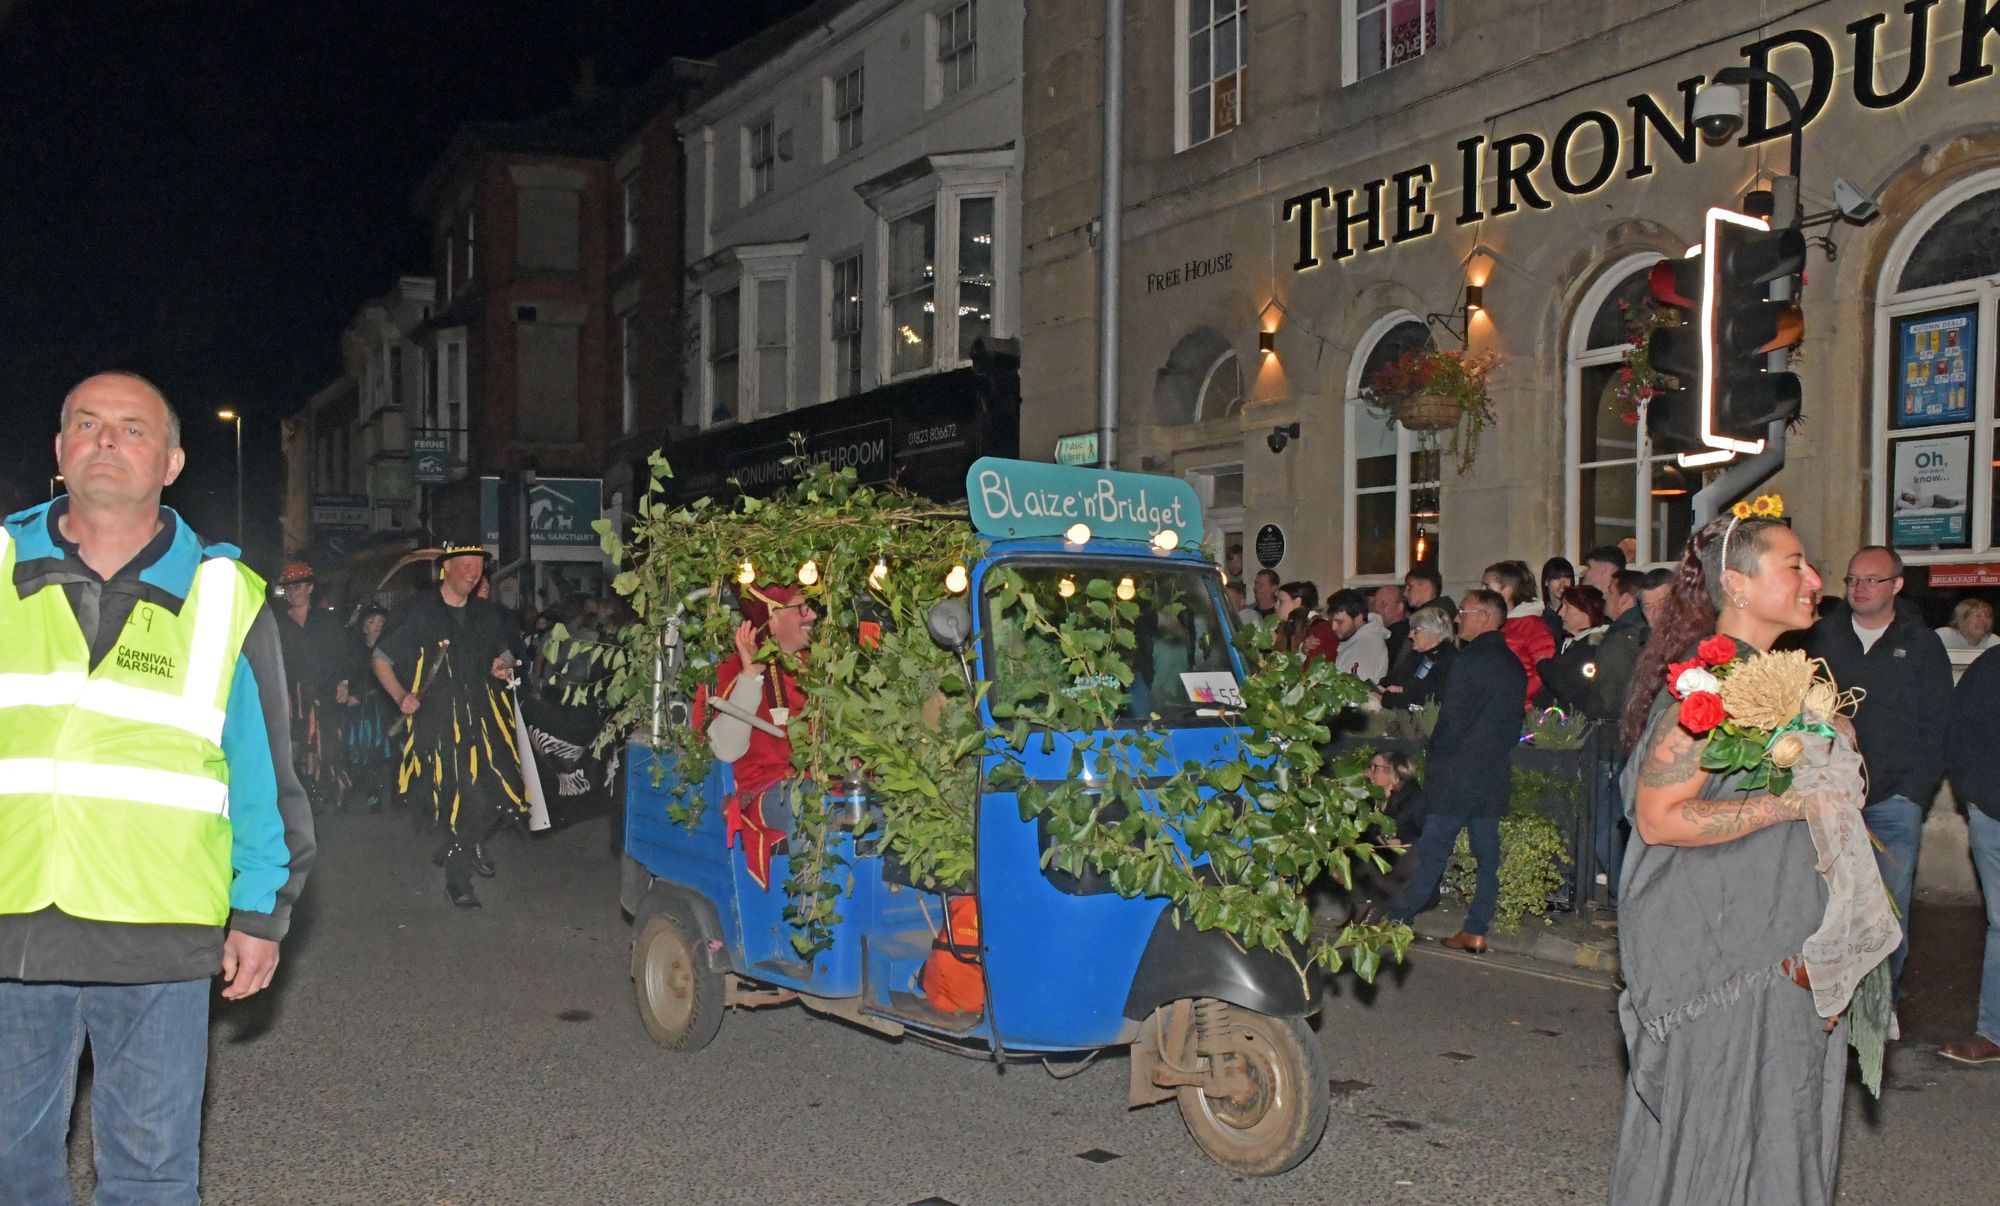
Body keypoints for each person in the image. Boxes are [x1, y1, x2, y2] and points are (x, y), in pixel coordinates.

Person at [0, 372, 314, 1202]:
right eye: (88, 424)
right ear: (60, 450)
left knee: (150, 1174)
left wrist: (260, 911)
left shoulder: (225, 600)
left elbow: (265, 774)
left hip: (159, 931)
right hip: (10, 929)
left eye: (133, 429)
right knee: (8, 1165)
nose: (108, 440)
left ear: (171, 461)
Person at [1613, 510, 1860, 1205]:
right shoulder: (1709, 688)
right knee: (1717, 1149)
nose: (1816, 580)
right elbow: (1661, 818)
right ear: (1737, 585)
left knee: (1779, 1143)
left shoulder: (1787, 683)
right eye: (1795, 565)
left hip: (1784, 948)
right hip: (1721, 963)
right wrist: (1797, 798)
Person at [1804, 545, 1951, 998]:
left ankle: (1880, 998)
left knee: (1888, 909)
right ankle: (1834, 992)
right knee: (1826, 904)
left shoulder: (1921, 644)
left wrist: (1914, 793)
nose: (1860, 588)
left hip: (1892, 802)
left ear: (1897, 585)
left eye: (1871, 580)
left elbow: (1938, 723)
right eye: (1852, 580)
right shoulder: (1821, 638)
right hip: (1829, 798)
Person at [372, 541, 529, 908]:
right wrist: (400, 696)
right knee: (462, 799)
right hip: (439, 724)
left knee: (500, 798)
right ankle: (458, 881)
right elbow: (381, 658)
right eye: (466, 564)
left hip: (486, 722)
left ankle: (461, 841)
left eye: (478, 565)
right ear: (446, 567)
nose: (473, 571)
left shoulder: (487, 614)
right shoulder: (419, 611)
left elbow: (508, 655)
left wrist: (502, 666)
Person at [1383, 589, 1524, 954]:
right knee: (1487, 856)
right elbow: (1513, 724)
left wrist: (1437, 752)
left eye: (1464, 612)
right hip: (1491, 773)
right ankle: (1476, 928)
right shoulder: (1512, 664)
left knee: (1432, 850)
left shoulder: (1468, 661)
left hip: (1457, 772)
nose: (1459, 618)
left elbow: (1451, 719)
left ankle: (1397, 920)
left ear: (1484, 616)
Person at [707, 582, 819, 889]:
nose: (811, 616)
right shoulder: (734, 669)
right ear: (772, 619)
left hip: (821, 782)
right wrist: (751, 674)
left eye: (810, 608)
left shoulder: (819, 668)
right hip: (765, 790)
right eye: (800, 609)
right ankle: (814, 915)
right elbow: (726, 750)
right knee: (808, 802)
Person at [1943, 642, 2000, 1064]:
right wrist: (1975, 799)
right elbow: (1958, 729)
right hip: (1993, 816)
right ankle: (1994, 1032)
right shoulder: (1991, 667)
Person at [1591, 570, 1652, 900]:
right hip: (1627, 743)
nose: (1604, 600)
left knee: (1606, 822)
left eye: (1609, 593)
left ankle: (1622, 893)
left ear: (1627, 598)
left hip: (1615, 745)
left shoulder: (1623, 636)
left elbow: (1609, 695)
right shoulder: (1634, 633)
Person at [272, 559, 347, 809]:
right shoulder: (278, 624)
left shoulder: (325, 621)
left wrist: (345, 682)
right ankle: (294, 788)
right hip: (291, 695)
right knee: (294, 742)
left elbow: (342, 654)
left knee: (324, 742)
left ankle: (318, 788)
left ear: (310, 588)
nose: (294, 592)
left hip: (323, 692)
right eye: (289, 588)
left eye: (299, 586)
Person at [339, 603, 397, 811]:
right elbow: (351, 673)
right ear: (364, 627)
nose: (377, 626)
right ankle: (356, 792)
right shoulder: (355, 648)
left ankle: (387, 794)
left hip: (385, 706)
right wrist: (353, 693)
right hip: (362, 708)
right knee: (361, 750)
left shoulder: (391, 646)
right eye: (372, 622)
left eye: (381, 621)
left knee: (385, 751)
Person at [1484, 559, 1554, 708]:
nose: (1483, 592)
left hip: (1520, 708)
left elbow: (1543, 670)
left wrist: (1515, 696)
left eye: (1487, 586)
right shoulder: (1498, 622)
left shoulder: (1532, 624)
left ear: (1507, 590)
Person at [1535, 583, 1610, 713]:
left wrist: (1544, 666)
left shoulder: (1593, 649)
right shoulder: (1571, 643)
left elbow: (1572, 689)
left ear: (1586, 612)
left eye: (1567, 607)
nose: (1560, 613)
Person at [1378, 603, 1456, 709]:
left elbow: (1428, 703)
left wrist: (1389, 698)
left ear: (1433, 630)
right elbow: (1397, 679)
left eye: (1416, 630)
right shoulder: (1418, 655)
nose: (1410, 635)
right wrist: (1391, 687)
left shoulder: (1448, 660)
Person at [1327, 587, 1389, 683]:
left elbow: (1351, 693)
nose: (1333, 627)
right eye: (1331, 621)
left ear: (1359, 618)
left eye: (1339, 622)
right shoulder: (1356, 639)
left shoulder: (1366, 648)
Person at [1274, 581, 1337, 663]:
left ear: (1297, 602)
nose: (1276, 606)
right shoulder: (1285, 627)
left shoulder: (1320, 628)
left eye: (1281, 601)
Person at [1539, 556, 1575, 648]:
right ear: (1546, 582)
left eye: (1567, 577)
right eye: (1556, 577)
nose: (1562, 583)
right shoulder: (1539, 616)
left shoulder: (1578, 613)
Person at [1370, 583, 1410, 666]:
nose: (1376, 609)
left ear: (1400, 607)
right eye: (1374, 604)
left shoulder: (1399, 638)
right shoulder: (1378, 632)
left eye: (1383, 604)